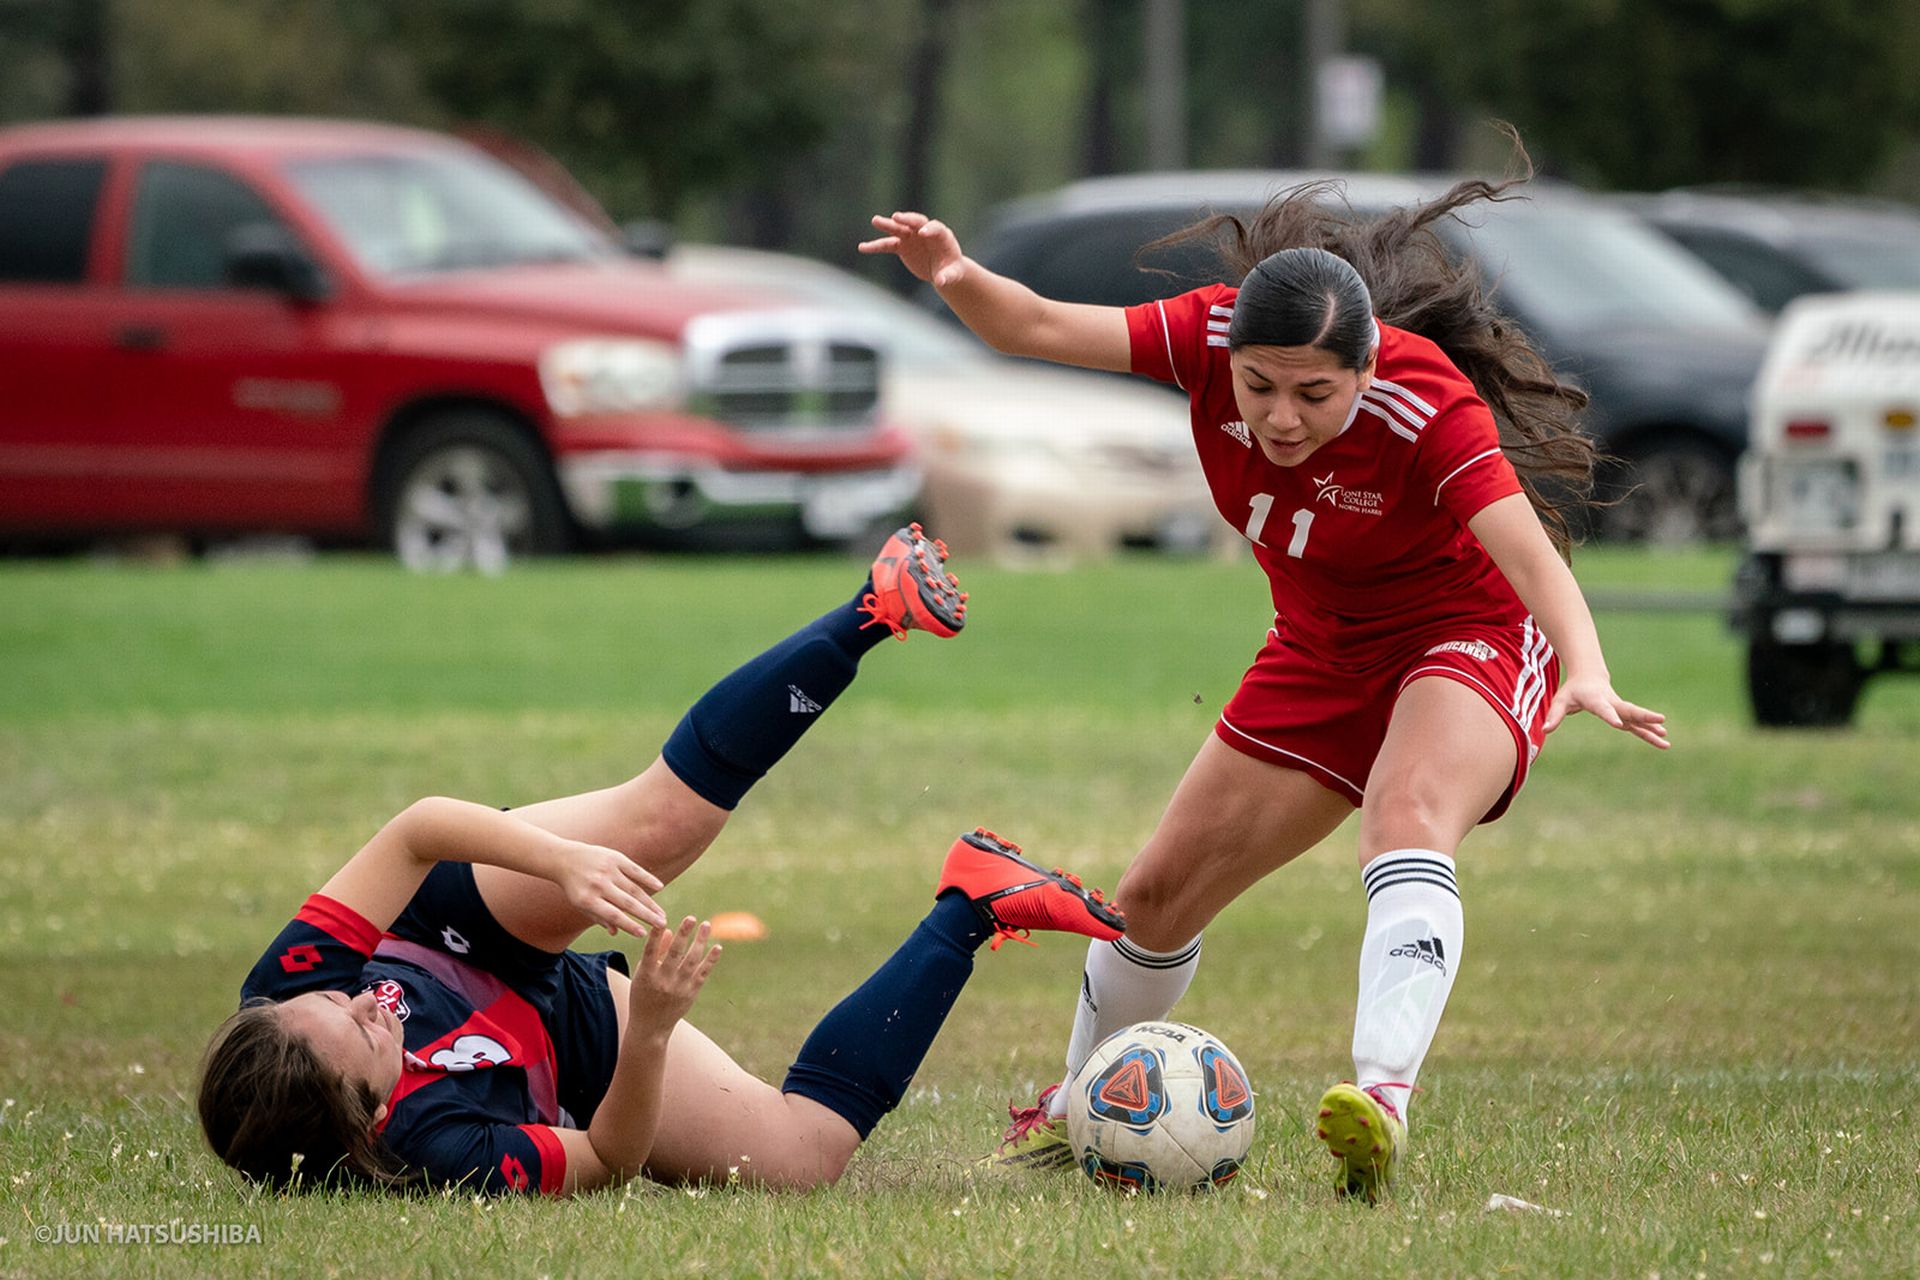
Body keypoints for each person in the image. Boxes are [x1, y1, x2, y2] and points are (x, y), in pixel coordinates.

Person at [862, 150, 1669, 1202]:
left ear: (1368, 370)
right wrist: (954, 272)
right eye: (1260, 388)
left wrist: (1588, 666)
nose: (1281, 418)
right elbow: (1037, 326)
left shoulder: (1426, 406)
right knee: (1153, 893)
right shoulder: (1202, 336)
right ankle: (1082, 1106)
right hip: (1321, 646)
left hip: (1467, 633)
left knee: (1408, 806)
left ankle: (1381, 1100)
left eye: (1314, 394)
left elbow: (1525, 553)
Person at [197, 526, 1126, 1195]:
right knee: (801, 1160)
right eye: (361, 1033)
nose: (360, 997)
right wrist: (647, 1033)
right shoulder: (435, 1153)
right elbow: (608, 1160)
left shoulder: (281, 998)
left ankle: (874, 610)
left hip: (452, 924)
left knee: (655, 830)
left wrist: (560, 861)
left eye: (330, 997)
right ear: (368, 1124)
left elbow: (416, 830)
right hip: (569, 1046)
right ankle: (975, 901)